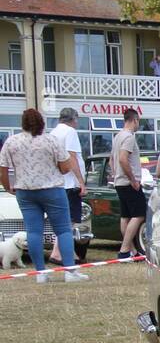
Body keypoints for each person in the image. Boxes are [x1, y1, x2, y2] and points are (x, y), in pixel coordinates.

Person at [0, 108, 87, 283]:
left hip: (25, 192)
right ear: (42, 123)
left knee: (33, 232)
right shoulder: (51, 140)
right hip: (52, 190)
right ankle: (69, 271)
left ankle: (40, 272)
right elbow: (65, 167)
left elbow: (3, 168)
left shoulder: (12, 142)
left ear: (23, 123)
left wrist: (8, 187)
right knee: (62, 230)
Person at [48, 107, 86, 264]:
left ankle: (69, 253)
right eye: (76, 120)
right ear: (73, 119)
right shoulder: (70, 132)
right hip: (70, 183)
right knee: (69, 221)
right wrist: (81, 182)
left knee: (63, 220)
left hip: (57, 182)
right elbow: (72, 157)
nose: (77, 123)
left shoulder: (53, 133)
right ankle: (57, 252)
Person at [111, 107, 147, 259]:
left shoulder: (117, 136)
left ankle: (131, 250)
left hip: (119, 182)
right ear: (134, 120)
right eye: (138, 121)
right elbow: (122, 159)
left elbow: (111, 159)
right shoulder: (129, 137)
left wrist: (115, 175)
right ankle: (125, 249)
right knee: (139, 214)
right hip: (128, 182)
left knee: (125, 216)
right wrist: (133, 179)